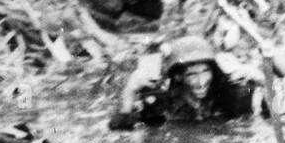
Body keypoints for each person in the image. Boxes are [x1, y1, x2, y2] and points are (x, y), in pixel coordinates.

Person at [109, 34, 257, 128]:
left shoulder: (227, 94)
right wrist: (129, 91)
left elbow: (270, 112)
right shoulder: (162, 101)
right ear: (178, 77)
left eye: (205, 71)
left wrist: (260, 79)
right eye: (192, 74)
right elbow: (119, 129)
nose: (201, 82)